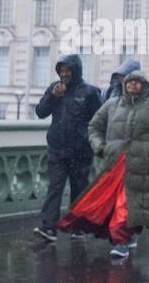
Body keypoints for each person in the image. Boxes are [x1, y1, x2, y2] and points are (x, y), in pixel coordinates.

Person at [72, 70, 149, 260]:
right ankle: (124, 238)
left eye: (137, 82)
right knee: (115, 203)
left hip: (140, 165)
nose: (132, 85)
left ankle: (121, 242)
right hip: (113, 164)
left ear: (144, 86)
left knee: (128, 204)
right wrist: (100, 147)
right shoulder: (111, 105)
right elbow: (94, 127)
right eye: (129, 82)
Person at [33, 53, 103, 243]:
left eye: (67, 70)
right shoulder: (55, 89)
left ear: (75, 71)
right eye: (61, 70)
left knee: (79, 189)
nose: (64, 74)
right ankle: (49, 227)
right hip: (57, 148)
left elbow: (99, 120)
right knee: (54, 187)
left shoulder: (90, 92)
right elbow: (40, 112)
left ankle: (78, 227)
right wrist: (53, 97)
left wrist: (90, 142)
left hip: (80, 151)